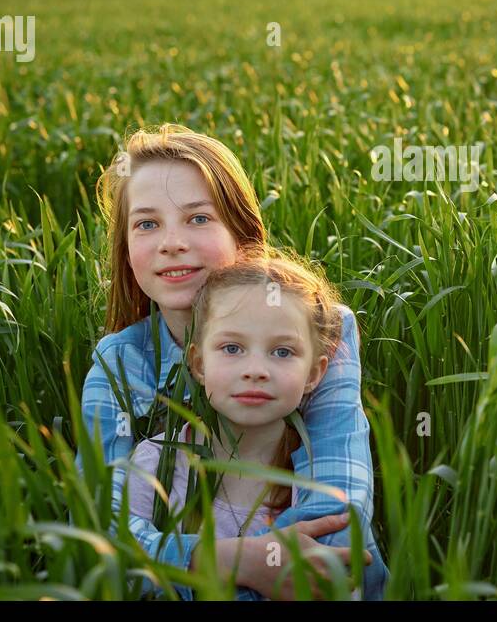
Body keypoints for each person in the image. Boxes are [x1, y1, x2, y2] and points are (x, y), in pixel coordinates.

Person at [74, 123, 385, 599]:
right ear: (127, 251)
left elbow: (341, 502)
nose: (171, 242)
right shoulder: (119, 364)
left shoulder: (320, 328)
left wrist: (273, 571)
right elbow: (99, 532)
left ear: (244, 236)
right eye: (147, 223)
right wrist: (234, 563)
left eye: (198, 219)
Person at [123, 249, 371, 599]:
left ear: (315, 373)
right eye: (232, 348)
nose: (255, 369)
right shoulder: (154, 466)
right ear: (198, 363)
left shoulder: (316, 478)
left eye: (282, 352)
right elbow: (115, 564)